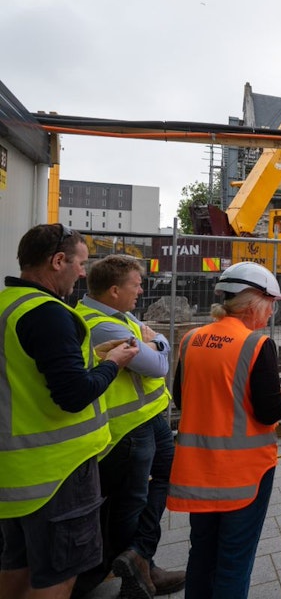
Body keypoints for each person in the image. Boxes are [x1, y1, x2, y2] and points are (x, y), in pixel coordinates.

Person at [0, 223, 139, 598]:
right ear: (57, 260)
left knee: (17, 564)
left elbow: (27, 372)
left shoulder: (7, 305)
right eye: (79, 263)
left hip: (14, 472)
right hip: (55, 475)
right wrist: (115, 364)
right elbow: (74, 395)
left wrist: (94, 359)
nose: (83, 272)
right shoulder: (48, 314)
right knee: (58, 575)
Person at [167, 262, 281, 598]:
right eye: (271, 303)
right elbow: (270, 413)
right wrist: (278, 394)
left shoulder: (191, 340)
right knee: (234, 560)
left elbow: (180, 397)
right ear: (254, 303)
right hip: (243, 475)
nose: (272, 311)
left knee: (201, 555)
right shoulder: (258, 346)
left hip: (197, 472)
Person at [74, 255, 184, 599]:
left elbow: (157, 348)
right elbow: (157, 365)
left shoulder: (120, 316)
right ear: (114, 290)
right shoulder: (101, 324)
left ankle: (139, 557)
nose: (141, 290)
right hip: (129, 429)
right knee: (131, 501)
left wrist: (155, 344)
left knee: (163, 480)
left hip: (149, 419)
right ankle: (134, 571)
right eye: (135, 285)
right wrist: (156, 344)